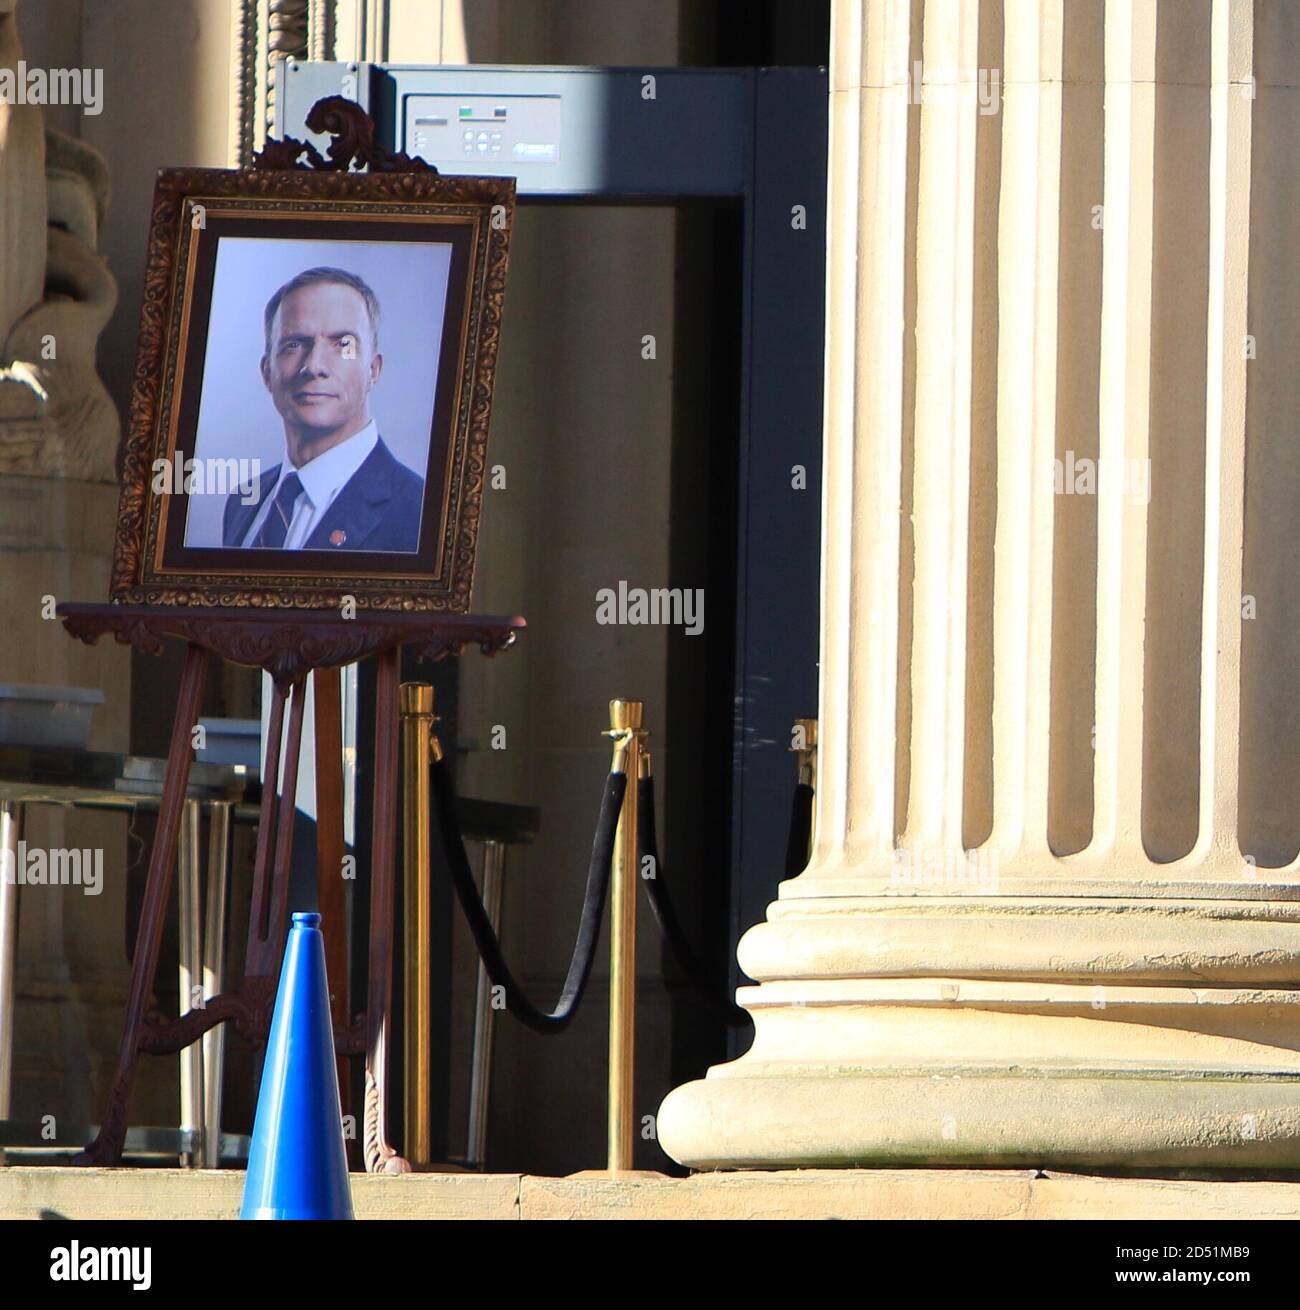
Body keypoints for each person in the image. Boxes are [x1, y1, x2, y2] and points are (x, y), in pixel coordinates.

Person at [223, 266, 424, 552]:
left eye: (343, 344)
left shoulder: (420, 514)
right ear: (267, 372)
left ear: (373, 370)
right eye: (294, 344)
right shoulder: (242, 502)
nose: (314, 366)